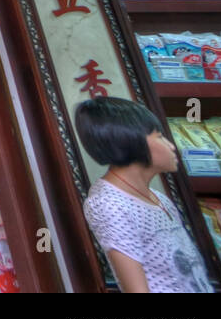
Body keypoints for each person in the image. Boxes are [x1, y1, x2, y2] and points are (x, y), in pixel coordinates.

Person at [74, 97, 211, 292]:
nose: (171, 146)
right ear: (130, 140)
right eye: (159, 136)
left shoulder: (159, 199)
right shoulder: (109, 204)